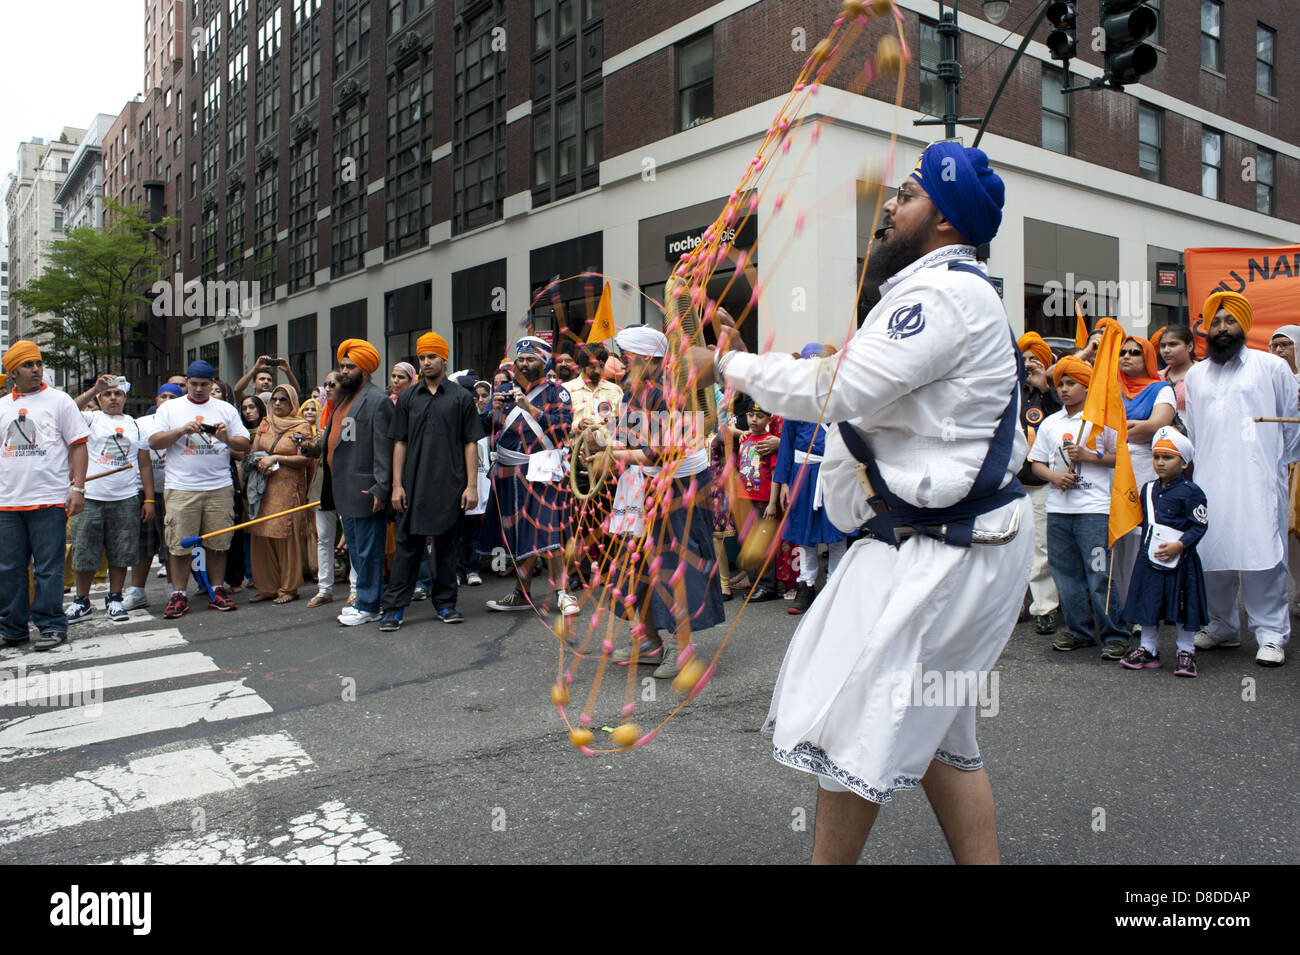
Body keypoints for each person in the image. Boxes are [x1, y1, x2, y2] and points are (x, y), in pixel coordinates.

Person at [688, 142, 1031, 864]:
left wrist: (725, 364)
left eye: (906, 195)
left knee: (852, 718)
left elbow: (834, 389)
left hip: (950, 547)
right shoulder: (933, 292)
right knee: (941, 734)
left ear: (942, 219)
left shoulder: (942, 295)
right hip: (937, 541)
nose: (888, 208)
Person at [1186, 291, 1300, 667]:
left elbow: (1290, 426)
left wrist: (1282, 469)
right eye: (1215, 322)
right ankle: (1222, 626)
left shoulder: (1271, 367)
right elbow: (1196, 432)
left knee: (1263, 555)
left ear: (1243, 324)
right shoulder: (1197, 375)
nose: (1222, 329)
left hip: (1260, 477)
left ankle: (1270, 634)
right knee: (1212, 553)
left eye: (1229, 321)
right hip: (1211, 477)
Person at [608, 324, 726, 678]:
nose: (619, 362)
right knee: (632, 563)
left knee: (674, 564)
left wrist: (614, 453)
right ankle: (648, 641)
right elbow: (626, 440)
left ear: (646, 359)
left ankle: (681, 647)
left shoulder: (674, 392)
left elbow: (661, 453)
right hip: (641, 486)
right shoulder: (634, 391)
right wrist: (602, 445)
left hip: (680, 486)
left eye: (626, 357)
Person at [378, 333, 483, 629]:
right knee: (407, 549)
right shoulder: (409, 398)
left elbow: (470, 443)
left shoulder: (462, 397)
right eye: (422, 357)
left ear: (444, 359)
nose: (425, 362)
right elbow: (399, 442)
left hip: (450, 486)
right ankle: (394, 608)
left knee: (447, 549)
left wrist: (471, 485)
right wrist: (397, 485)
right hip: (413, 487)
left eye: (431, 357)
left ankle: (446, 604)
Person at [1028, 356, 1129, 658]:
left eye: (1072, 383)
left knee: (1098, 573)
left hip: (1094, 511)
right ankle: (1079, 631)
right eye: (1061, 383)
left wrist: (1088, 455)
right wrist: (1054, 476)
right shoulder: (1050, 423)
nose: (1064, 389)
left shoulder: (1102, 420)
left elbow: (1121, 458)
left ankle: (1115, 634)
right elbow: (1037, 463)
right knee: (1065, 574)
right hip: (1058, 510)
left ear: (1087, 387)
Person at [479, 335, 578, 616]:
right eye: (521, 359)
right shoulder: (504, 389)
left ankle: (564, 592)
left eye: (530, 358)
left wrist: (530, 408)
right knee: (518, 535)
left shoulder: (557, 393)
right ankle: (522, 593)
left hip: (541, 469)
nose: (524, 364)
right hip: (508, 472)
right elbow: (485, 427)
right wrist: (493, 411)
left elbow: (563, 429)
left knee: (548, 531)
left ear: (544, 361)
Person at [0, 341, 89, 650]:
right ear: (13, 372)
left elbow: (78, 444)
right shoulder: (2, 408)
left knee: (48, 568)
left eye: (38, 363)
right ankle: (12, 628)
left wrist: (77, 488)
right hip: (7, 503)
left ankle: (51, 625)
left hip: (49, 500)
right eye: (28, 365)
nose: (36, 369)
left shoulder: (59, 401)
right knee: (9, 569)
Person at [148, 359, 252, 618]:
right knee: (180, 544)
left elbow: (245, 444)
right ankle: (179, 593)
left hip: (218, 485)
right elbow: (153, 441)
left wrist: (225, 438)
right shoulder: (171, 408)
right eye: (193, 384)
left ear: (212, 383)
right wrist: (181, 430)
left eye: (204, 384)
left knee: (218, 542)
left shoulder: (225, 408)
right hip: (181, 487)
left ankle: (217, 589)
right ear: (188, 383)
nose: (197, 389)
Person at [1119, 427, 1209, 678]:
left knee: (1183, 604)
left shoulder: (1192, 492)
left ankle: (1186, 651)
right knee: (1149, 601)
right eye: (1156, 457)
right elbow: (1142, 520)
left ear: (1183, 463)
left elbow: (1199, 525)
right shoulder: (1147, 489)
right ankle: (1148, 648)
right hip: (1151, 558)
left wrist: (1180, 545)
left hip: (1181, 560)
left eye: (1167, 457)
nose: (1160, 462)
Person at [66, 375, 154, 623]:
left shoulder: (136, 425)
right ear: (100, 398)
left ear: (125, 398)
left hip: (125, 497)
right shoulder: (90, 419)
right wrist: (95, 388)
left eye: (118, 394)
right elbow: (67, 409)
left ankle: (115, 598)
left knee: (121, 552)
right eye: (107, 394)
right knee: (85, 551)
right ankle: (81, 601)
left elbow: (144, 464)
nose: (113, 398)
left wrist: (149, 500)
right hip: (91, 497)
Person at [772, 344, 851, 616]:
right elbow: (786, 444)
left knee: (836, 531)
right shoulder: (796, 401)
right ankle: (806, 584)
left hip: (834, 471)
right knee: (804, 534)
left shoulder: (841, 398)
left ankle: (835, 586)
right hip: (803, 473)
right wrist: (783, 483)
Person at [327, 340, 394, 626]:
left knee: (368, 550)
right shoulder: (343, 398)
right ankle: (365, 601)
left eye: (350, 366)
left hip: (365, 488)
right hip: (343, 487)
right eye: (342, 366)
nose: (344, 371)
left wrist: (381, 486)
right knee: (356, 549)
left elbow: (384, 448)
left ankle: (368, 605)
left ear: (364, 370)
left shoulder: (377, 400)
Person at [1111, 336, 1176, 626]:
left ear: (1148, 358)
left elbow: (1157, 425)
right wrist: (1132, 428)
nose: (1126, 356)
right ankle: (1120, 610)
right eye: (1123, 352)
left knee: (1142, 543)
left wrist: (1123, 430)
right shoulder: (1111, 387)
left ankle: (1144, 612)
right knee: (1116, 542)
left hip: (1145, 469)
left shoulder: (1161, 389)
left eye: (1135, 352)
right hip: (1109, 468)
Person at [246, 385, 313, 603]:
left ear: (292, 402)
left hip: (287, 487)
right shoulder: (266, 423)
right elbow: (254, 451)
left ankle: (288, 588)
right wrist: (259, 461)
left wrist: (276, 459)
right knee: (261, 534)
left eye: (283, 399)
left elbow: (305, 459)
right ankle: (267, 586)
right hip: (263, 487)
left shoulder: (301, 426)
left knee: (285, 536)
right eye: (274, 399)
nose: (277, 403)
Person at [1016, 331, 1062, 635]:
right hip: (1012, 482)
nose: (1030, 364)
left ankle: (1045, 607)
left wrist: (1045, 387)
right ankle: (1014, 603)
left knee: (1042, 547)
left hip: (1043, 482)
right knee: (1011, 546)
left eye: (1036, 360)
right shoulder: (1011, 391)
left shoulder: (1056, 394)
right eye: (1025, 359)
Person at [125, 383, 184, 610]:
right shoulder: (142, 424)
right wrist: (148, 498)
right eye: (163, 396)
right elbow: (139, 458)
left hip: (176, 489)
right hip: (146, 491)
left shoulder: (184, 422)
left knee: (171, 543)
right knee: (144, 543)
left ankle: (174, 588)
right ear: (156, 398)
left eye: (172, 396)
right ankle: (137, 591)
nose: (167, 400)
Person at [737, 403, 782, 601]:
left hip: (763, 500)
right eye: (751, 415)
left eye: (759, 416)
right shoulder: (745, 439)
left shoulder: (769, 442)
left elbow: (774, 475)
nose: (754, 420)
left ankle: (767, 586)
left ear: (768, 419)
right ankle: (756, 582)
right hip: (745, 499)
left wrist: (772, 503)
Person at [1157, 325, 1197, 413]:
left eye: (1173, 344)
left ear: (1190, 346)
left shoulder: (1202, 375)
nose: (1166, 350)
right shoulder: (1156, 377)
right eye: (1163, 346)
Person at [234, 355, 301, 405]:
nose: (266, 381)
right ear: (253, 384)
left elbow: (295, 391)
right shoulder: (248, 402)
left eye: (269, 380)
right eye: (262, 379)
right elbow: (237, 390)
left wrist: (288, 372)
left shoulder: (278, 402)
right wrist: (255, 368)